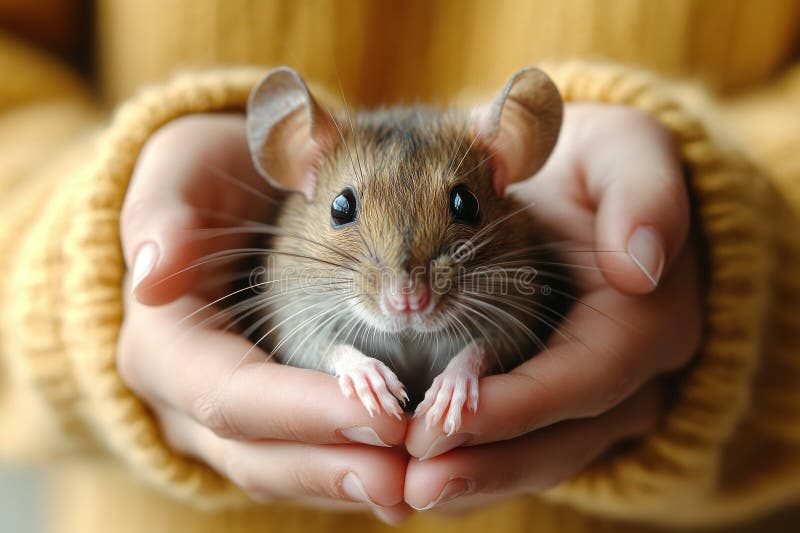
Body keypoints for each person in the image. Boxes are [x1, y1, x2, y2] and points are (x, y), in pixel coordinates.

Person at [1, 1, 799, 532]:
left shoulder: (517, 252)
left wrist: (732, 253)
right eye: (345, 214)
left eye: (460, 210)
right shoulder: (290, 260)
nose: (408, 286)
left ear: (505, 170)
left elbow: (528, 320)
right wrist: (78, 254)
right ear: (300, 168)